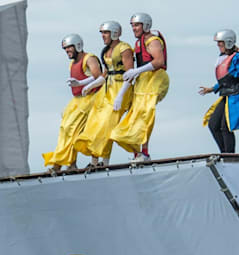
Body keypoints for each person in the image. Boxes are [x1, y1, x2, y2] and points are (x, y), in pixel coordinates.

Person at [109, 12, 170, 162]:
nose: (134, 28)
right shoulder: (139, 42)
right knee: (136, 113)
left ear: (146, 25)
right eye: (133, 25)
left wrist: (137, 70)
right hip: (143, 80)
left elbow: (159, 61)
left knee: (145, 113)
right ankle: (138, 153)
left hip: (155, 78)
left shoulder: (153, 41)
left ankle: (145, 153)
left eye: (137, 25)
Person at [75, 21, 136, 166]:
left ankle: (105, 161)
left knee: (107, 125)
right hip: (107, 90)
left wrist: (121, 96)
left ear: (114, 33)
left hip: (120, 89)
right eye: (102, 33)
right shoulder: (105, 51)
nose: (103, 36)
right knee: (95, 123)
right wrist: (89, 85)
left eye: (106, 33)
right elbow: (105, 74)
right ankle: (95, 161)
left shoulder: (124, 49)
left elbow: (130, 74)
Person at [42, 33, 104, 173]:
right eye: (65, 49)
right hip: (77, 101)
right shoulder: (73, 63)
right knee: (65, 130)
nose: (67, 51)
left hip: (90, 99)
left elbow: (97, 75)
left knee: (71, 129)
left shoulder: (89, 59)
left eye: (69, 48)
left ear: (77, 46)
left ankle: (59, 164)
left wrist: (82, 83)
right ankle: (69, 163)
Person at [199, 29, 239, 154]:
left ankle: (229, 155)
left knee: (226, 127)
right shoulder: (225, 57)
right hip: (226, 94)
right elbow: (225, 78)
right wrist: (212, 88)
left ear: (228, 43)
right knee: (213, 124)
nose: (219, 46)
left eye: (220, 43)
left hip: (237, 95)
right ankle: (224, 153)